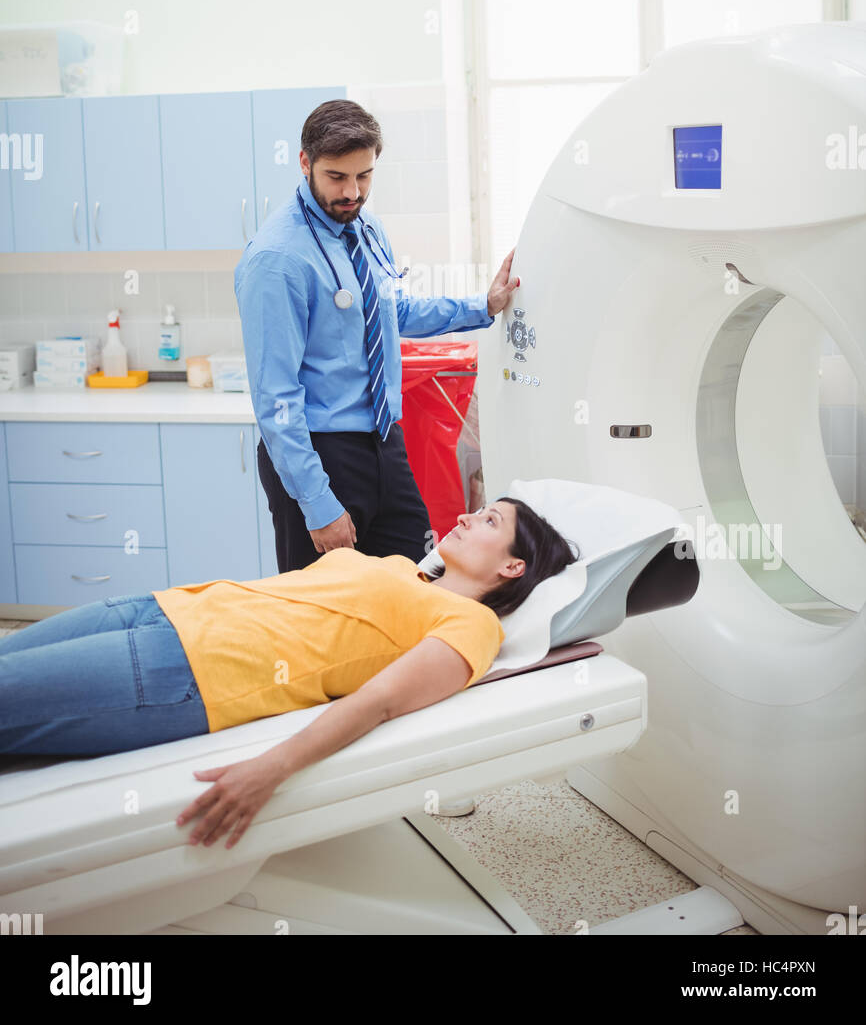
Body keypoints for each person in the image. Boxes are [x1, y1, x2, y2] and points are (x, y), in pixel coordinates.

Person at [0, 498, 578, 850]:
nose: (465, 516)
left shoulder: (472, 624)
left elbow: (380, 701)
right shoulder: (405, 569)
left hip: (186, 670)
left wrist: (271, 769)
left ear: (512, 564)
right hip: (162, 607)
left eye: (488, 519)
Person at [236, 98, 519, 571]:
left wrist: (482, 306)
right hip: (321, 453)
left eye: (363, 176)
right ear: (305, 163)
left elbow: (393, 312)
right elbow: (276, 399)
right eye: (337, 177)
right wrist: (319, 504)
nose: (352, 192)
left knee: (418, 582)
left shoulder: (366, 229)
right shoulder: (277, 260)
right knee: (329, 614)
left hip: (385, 443)